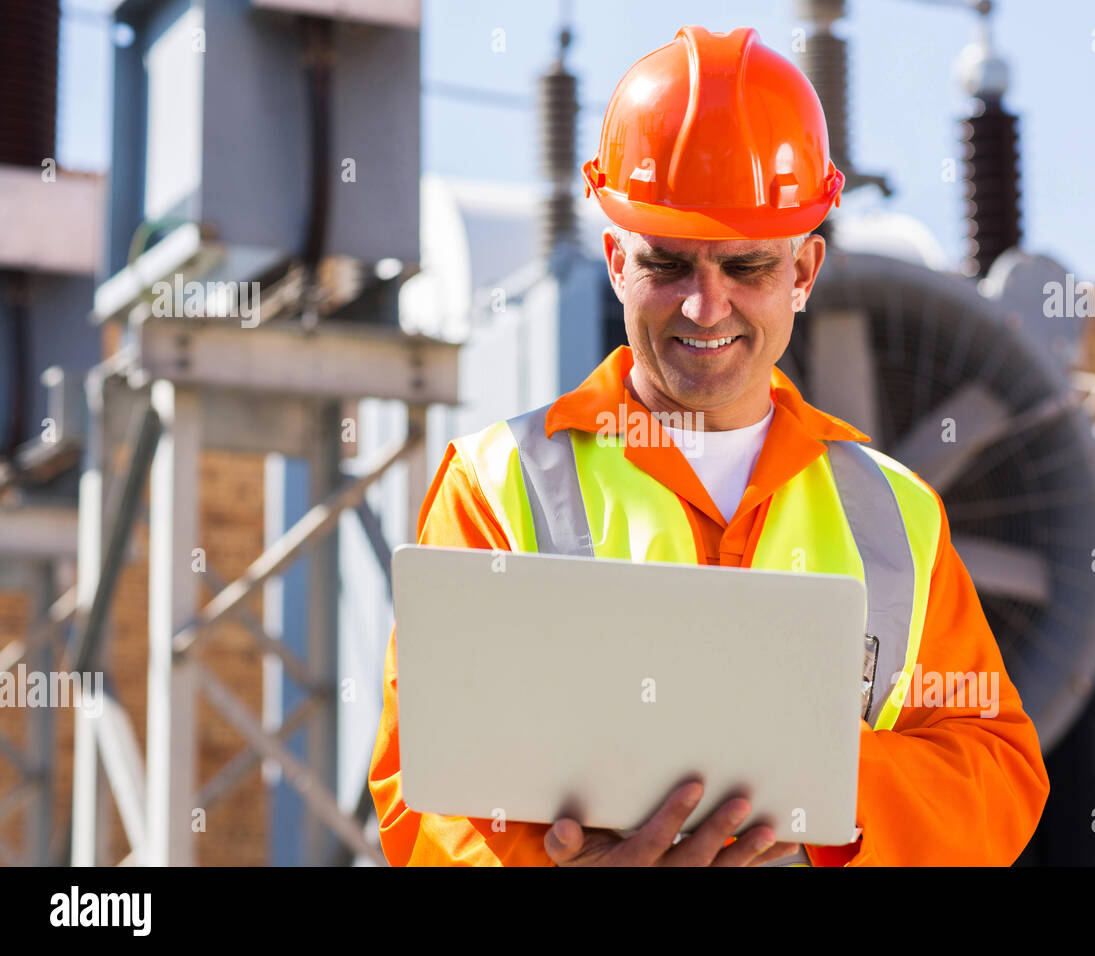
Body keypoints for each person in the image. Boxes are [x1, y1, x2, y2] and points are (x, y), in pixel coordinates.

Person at [369, 24, 1049, 867]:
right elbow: (419, 792)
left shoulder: (898, 515)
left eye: (748, 269)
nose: (705, 306)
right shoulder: (495, 486)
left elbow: (997, 776)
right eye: (669, 265)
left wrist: (809, 785)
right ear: (616, 258)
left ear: (804, 272)